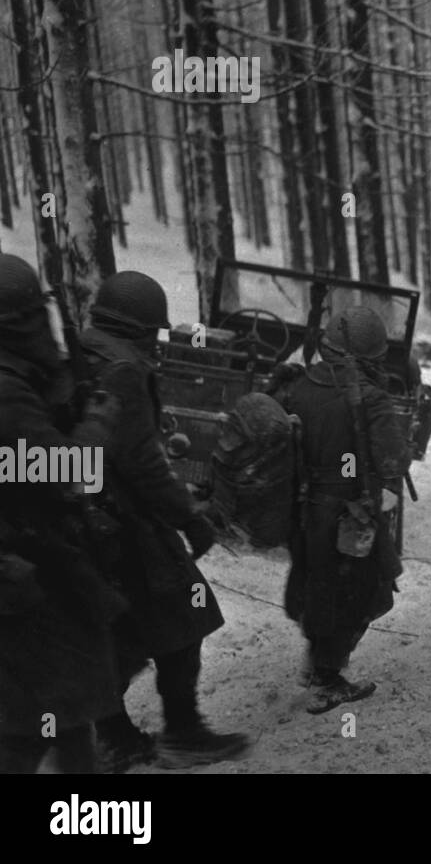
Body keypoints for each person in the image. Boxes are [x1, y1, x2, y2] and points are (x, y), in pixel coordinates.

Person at [80, 271, 246, 770]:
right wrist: (188, 517)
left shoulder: (80, 352)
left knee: (115, 629)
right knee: (184, 617)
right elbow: (141, 463)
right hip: (127, 520)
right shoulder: (124, 367)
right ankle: (183, 731)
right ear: (140, 326)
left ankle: (112, 734)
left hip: (86, 517)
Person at [0, 255, 125, 774]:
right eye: (34, 316)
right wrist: (97, 422)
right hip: (25, 571)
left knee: (68, 711)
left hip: (38, 567)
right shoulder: (5, 391)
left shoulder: (17, 380)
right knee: (29, 726)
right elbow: (62, 472)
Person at [276, 307, 409, 714]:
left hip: (303, 511)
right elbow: (392, 462)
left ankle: (319, 662)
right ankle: (326, 678)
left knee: (319, 583)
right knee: (364, 589)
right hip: (350, 515)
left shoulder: (297, 387)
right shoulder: (370, 398)